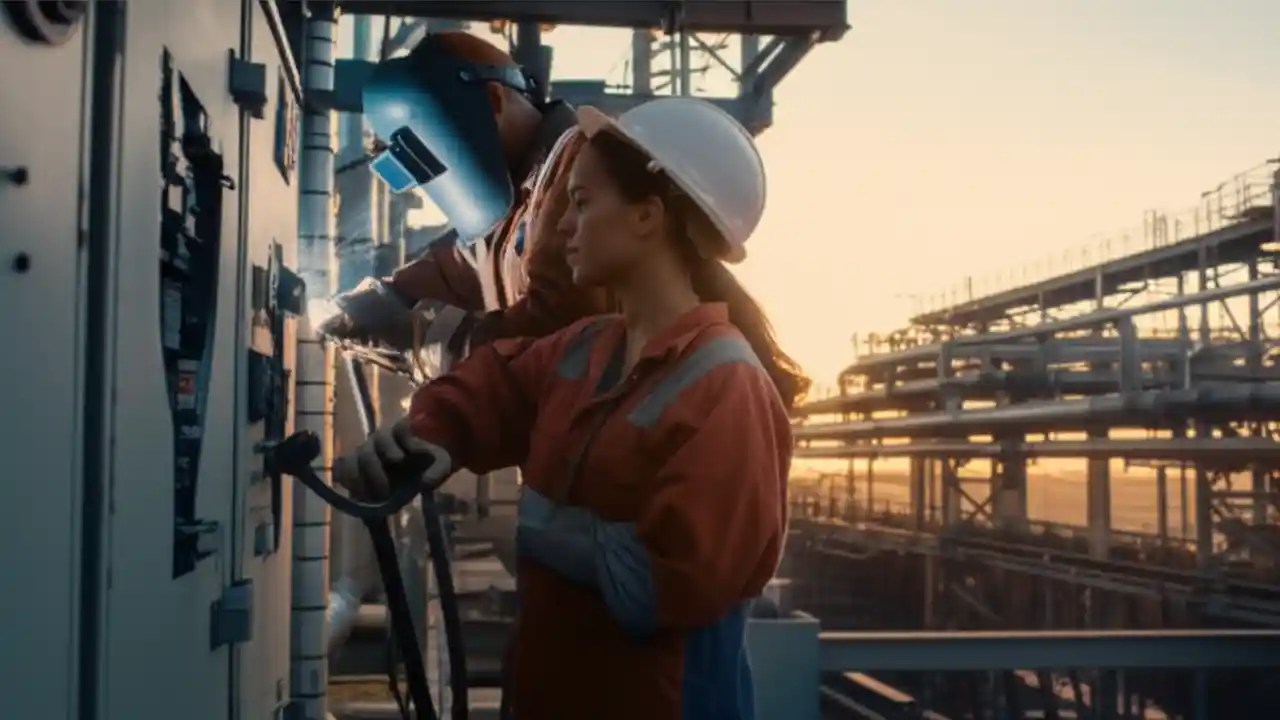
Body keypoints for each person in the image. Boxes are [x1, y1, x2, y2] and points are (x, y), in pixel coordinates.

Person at [334, 96, 810, 719]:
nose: (561, 227)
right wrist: (427, 437)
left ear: (648, 217)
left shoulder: (726, 389)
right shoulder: (585, 351)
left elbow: (660, 585)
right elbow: (495, 386)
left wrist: (533, 526)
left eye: (581, 204)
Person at [318, 31, 608, 360]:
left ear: (492, 102)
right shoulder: (510, 196)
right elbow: (460, 268)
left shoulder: (582, 171)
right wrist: (381, 298)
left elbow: (553, 333)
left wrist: (425, 340)